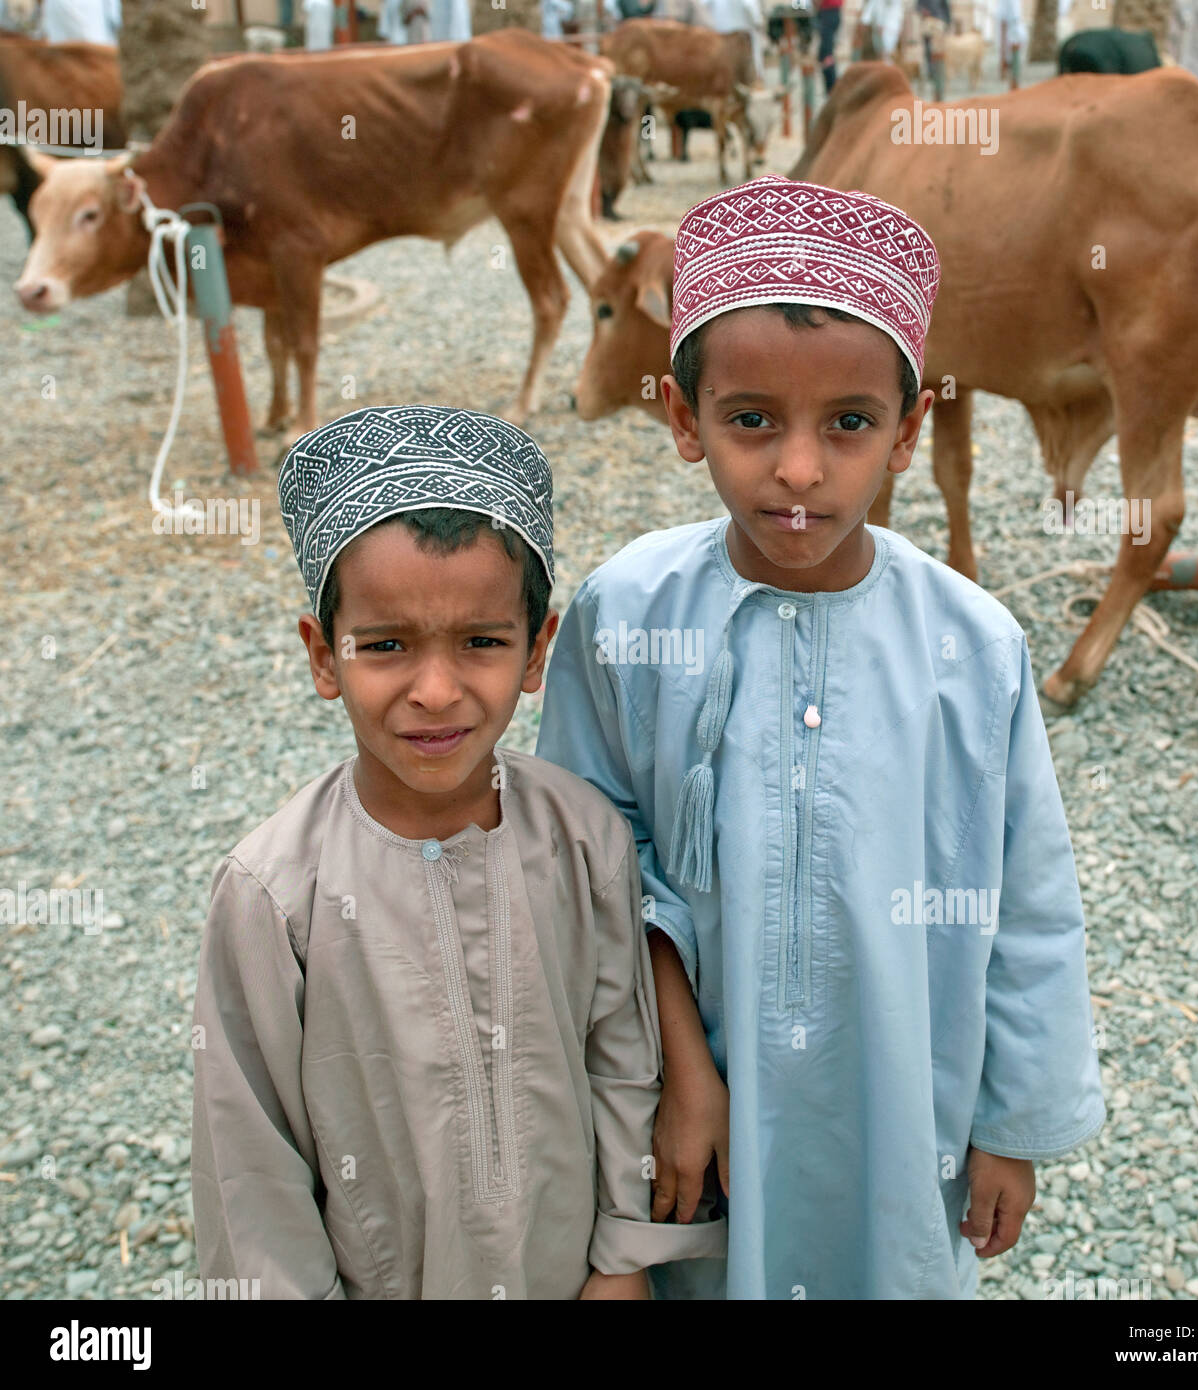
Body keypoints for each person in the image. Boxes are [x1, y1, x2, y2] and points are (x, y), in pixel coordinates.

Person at [536, 175, 1107, 1299]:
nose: (797, 469)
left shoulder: (971, 644)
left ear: (908, 433)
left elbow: (1031, 904)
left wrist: (1009, 1124)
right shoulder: (626, 613)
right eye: (752, 420)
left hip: (906, 1111)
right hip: (683, 1108)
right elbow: (586, 861)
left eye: (848, 423)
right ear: (682, 419)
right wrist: (683, 1072)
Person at [190, 405, 725, 1299]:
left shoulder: (581, 838)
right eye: (387, 646)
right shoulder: (273, 892)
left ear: (536, 650)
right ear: (324, 657)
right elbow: (248, 1151)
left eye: (480, 642)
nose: (435, 691)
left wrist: (621, 1259)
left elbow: (621, 1056)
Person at [814, 0, 843, 91]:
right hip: (833, 12)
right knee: (825, 53)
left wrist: (816, 6)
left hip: (828, 13)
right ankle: (832, 86)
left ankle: (832, 87)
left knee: (826, 55)